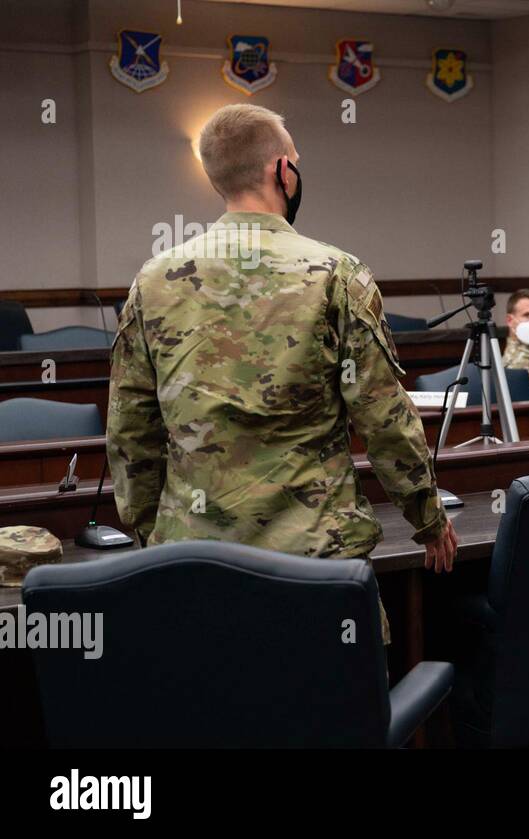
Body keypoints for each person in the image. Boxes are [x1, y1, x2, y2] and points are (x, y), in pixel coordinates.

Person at [106, 104, 459, 641]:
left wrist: (147, 530)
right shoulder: (336, 274)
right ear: (281, 171)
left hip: (194, 561)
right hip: (317, 567)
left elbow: (131, 429)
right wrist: (427, 517)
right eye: (294, 160)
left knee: (210, 713)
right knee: (332, 714)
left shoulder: (153, 280)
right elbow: (384, 417)